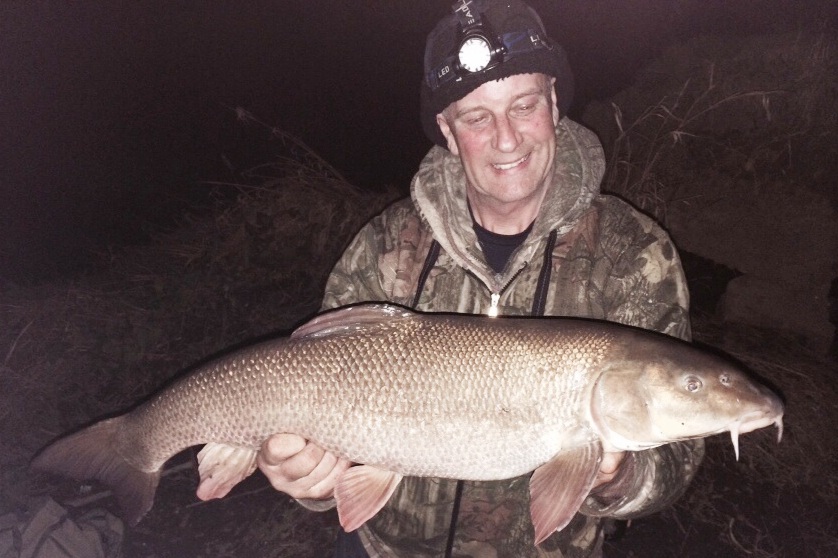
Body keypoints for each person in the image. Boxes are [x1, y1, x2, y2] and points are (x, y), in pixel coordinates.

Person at [256, 0, 704, 556]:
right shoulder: (382, 247)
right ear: (446, 129)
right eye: (476, 117)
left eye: (524, 105)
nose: (507, 139)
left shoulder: (632, 250)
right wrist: (308, 478)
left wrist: (621, 477)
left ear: (554, 103)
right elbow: (326, 448)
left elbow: (675, 460)